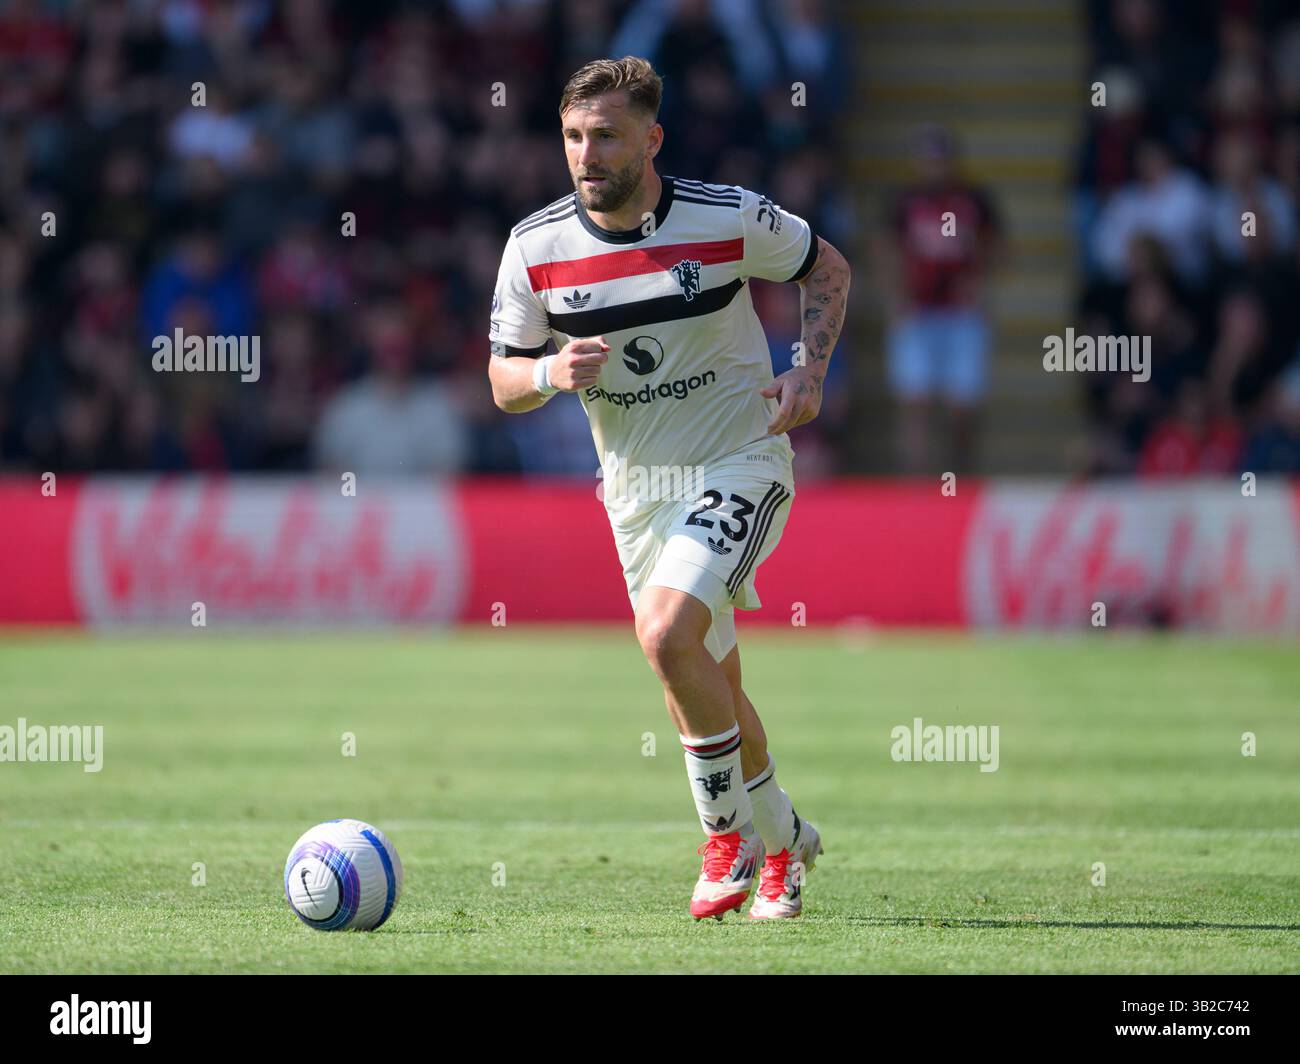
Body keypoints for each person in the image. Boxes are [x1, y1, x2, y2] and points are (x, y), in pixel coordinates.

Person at [487, 56, 850, 920]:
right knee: (702, 672)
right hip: (636, 496)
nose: (587, 154)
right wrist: (546, 371)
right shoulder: (535, 247)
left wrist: (809, 371)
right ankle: (787, 839)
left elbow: (827, 269)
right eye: (574, 136)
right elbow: (500, 380)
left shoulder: (726, 218)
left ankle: (724, 841)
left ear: (651, 140)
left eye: (606, 135)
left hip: (739, 460)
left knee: (664, 633)